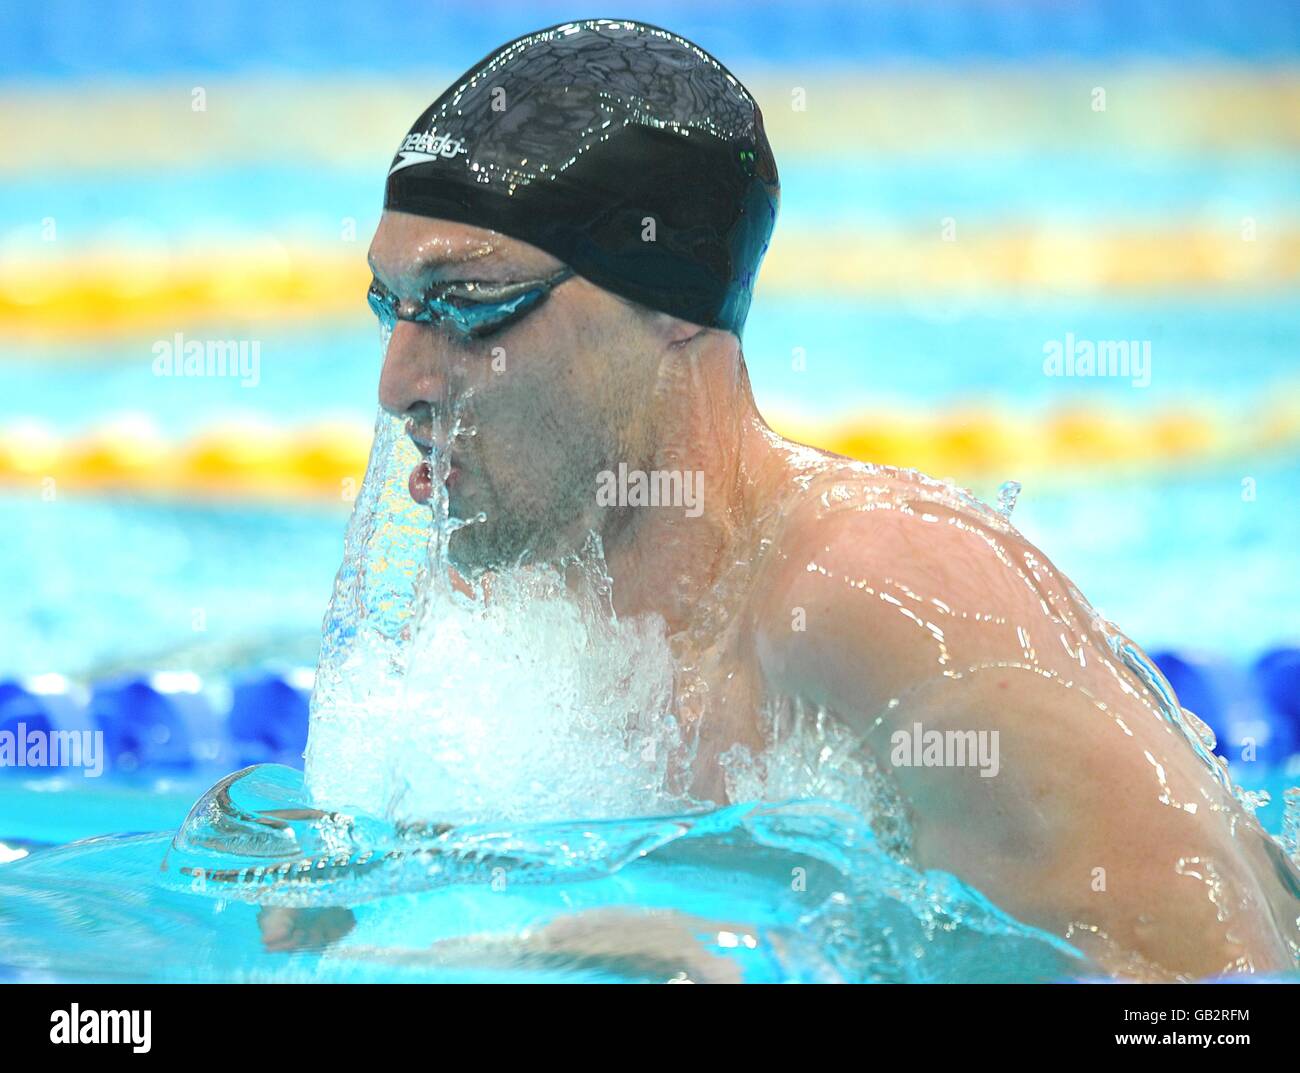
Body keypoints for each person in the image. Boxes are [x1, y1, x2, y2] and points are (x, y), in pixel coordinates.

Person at [349, 19, 1300, 979]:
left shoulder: (876, 596)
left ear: (671, 304)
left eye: (471, 302)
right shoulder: (525, 608)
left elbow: (1214, 1006)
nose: (399, 383)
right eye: (393, 307)